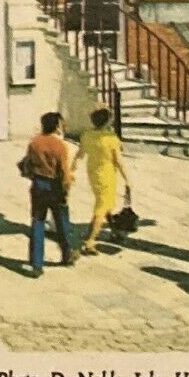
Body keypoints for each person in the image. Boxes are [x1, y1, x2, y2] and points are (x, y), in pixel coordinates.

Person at [20, 111, 78, 277]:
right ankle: (66, 254)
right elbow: (64, 172)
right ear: (56, 126)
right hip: (55, 186)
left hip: (38, 185)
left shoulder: (34, 143)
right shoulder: (60, 146)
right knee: (61, 222)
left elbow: (28, 165)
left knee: (38, 222)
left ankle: (36, 264)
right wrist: (66, 189)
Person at [73, 105, 131, 255]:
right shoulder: (111, 139)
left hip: (93, 173)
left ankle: (114, 230)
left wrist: (72, 168)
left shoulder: (86, 135)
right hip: (107, 175)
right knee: (102, 206)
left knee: (105, 202)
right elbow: (118, 160)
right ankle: (90, 241)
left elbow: (79, 154)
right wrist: (127, 179)